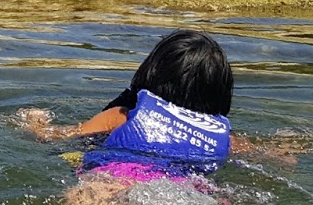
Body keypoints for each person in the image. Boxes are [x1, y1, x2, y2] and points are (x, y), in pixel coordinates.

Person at [16, 30, 234, 192]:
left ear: (152, 73)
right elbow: (262, 151)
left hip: (118, 179)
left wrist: (35, 123)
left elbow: (51, 137)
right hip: (191, 188)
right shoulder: (221, 138)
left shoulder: (120, 116)